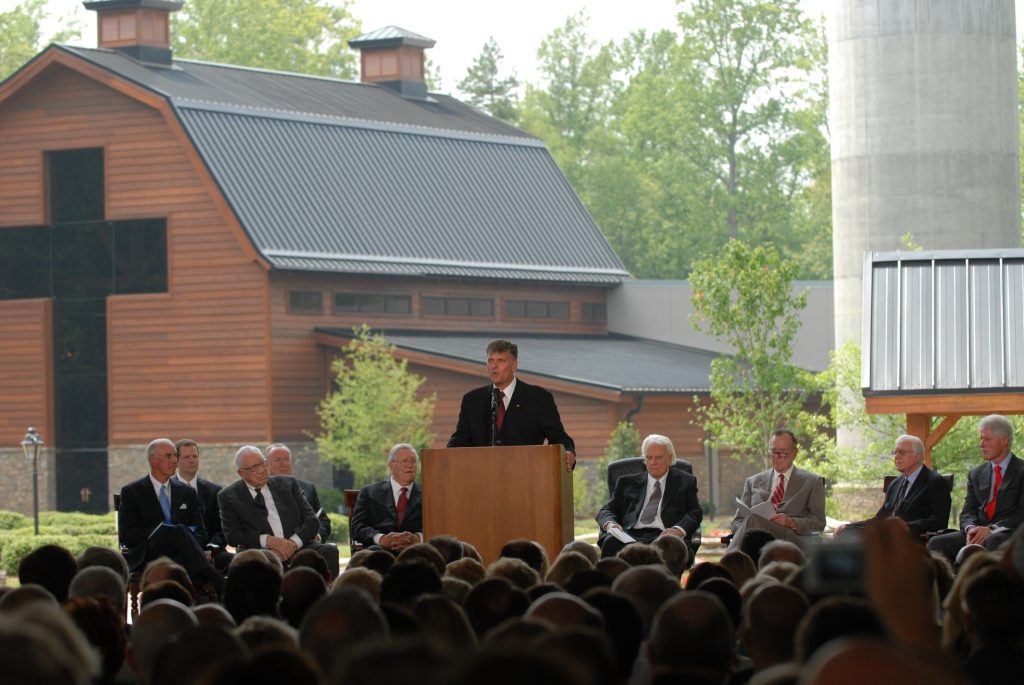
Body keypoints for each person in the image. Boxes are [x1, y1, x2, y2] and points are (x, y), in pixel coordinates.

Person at [447, 339, 576, 471]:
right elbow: (460, 440)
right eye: (491, 361)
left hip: (526, 478)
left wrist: (567, 452)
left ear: (514, 366)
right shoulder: (472, 400)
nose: (494, 366)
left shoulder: (538, 398)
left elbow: (559, 438)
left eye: (500, 361)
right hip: (481, 479)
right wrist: (445, 457)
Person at [117, 438, 222, 596]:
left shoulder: (187, 492)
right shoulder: (132, 491)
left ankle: (183, 605)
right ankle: (211, 580)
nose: (174, 461)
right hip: (148, 553)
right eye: (168, 456)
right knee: (178, 531)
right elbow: (127, 535)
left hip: (181, 553)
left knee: (180, 546)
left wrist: (177, 536)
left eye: (175, 455)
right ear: (153, 460)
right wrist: (162, 532)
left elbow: (201, 533)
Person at [218, 445, 339, 578]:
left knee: (330, 550)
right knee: (255, 564)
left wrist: (292, 544)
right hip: (262, 552)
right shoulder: (229, 496)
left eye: (263, 464)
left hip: (299, 547)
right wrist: (270, 541)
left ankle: (327, 597)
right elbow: (233, 536)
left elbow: (312, 521)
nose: (262, 470)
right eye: (254, 468)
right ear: (241, 473)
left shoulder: (289, 484)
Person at [928, 415, 1024, 564]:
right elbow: (968, 511)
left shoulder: (1021, 470)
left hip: (1008, 534)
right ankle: (952, 587)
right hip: (977, 533)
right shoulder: (976, 473)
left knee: (994, 540)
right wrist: (971, 529)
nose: (981, 444)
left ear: (1004, 441)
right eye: (980, 439)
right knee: (937, 542)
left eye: (986, 439)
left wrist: (991, 529)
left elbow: (1021, 514)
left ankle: (989, 587)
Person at [596, 434, 702, 560]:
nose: (652, 462)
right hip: (630, 534)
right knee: (610, 542)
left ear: (670, 458)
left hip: (665, 535)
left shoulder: (685, 481)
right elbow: (606, 510)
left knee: (671, 546)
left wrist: (678, 529)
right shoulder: (626, 483)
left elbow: (694, 512)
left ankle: (664, 580)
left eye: (658, 457)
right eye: (648, 457)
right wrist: (611, 524)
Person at [728, 428, 825, 551]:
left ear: (795, 452)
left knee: (752, 520)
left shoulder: (812, 482)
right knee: (752, 521)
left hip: (791, 540)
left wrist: (791, 522)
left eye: (783, 453)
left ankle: (730, 564)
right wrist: (747, 529)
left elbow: (819, 523)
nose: (777, 457)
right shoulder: (753, 481)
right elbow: (737, 522)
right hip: (755, 540)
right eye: (773, 452)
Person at [836, 435, 951, 538]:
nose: (896, 456)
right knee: (846, 532)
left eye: (902, 452)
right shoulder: (895, 484)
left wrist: (906, 526)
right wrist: (850, 526)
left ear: (918, 458)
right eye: (895, 452)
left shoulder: (935, 482)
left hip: (910, 538)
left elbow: (940, 520)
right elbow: (880, 519)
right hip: (885, 534)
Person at [350, 443, 423, 553]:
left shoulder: (428, 493)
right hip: (380, 550)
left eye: (413, 461)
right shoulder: (369, 492)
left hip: (417, 551)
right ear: (391, 465)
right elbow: (358, 527)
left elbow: (439, 527)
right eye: (404, 461)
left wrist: (418, 538)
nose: (410, 465)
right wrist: (381, 539)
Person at [173, 439, 233, 572]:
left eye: (195, 456)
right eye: (186, 457)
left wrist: (210, 549)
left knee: (240, 563)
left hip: (212, 553)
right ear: (176, 461)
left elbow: (222, 528)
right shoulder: (167, 490)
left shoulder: (215, 491)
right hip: (178, 556)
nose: (192, 460)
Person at [266, 443, 331, 542]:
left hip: (306, 545)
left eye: (286, 459)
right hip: (273, 546)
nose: (283, 463)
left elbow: (323, 521)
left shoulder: (308, 488)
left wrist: (318, 536)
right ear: (267, 464)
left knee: (330, 551)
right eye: (278, 460)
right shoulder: (259, 489)